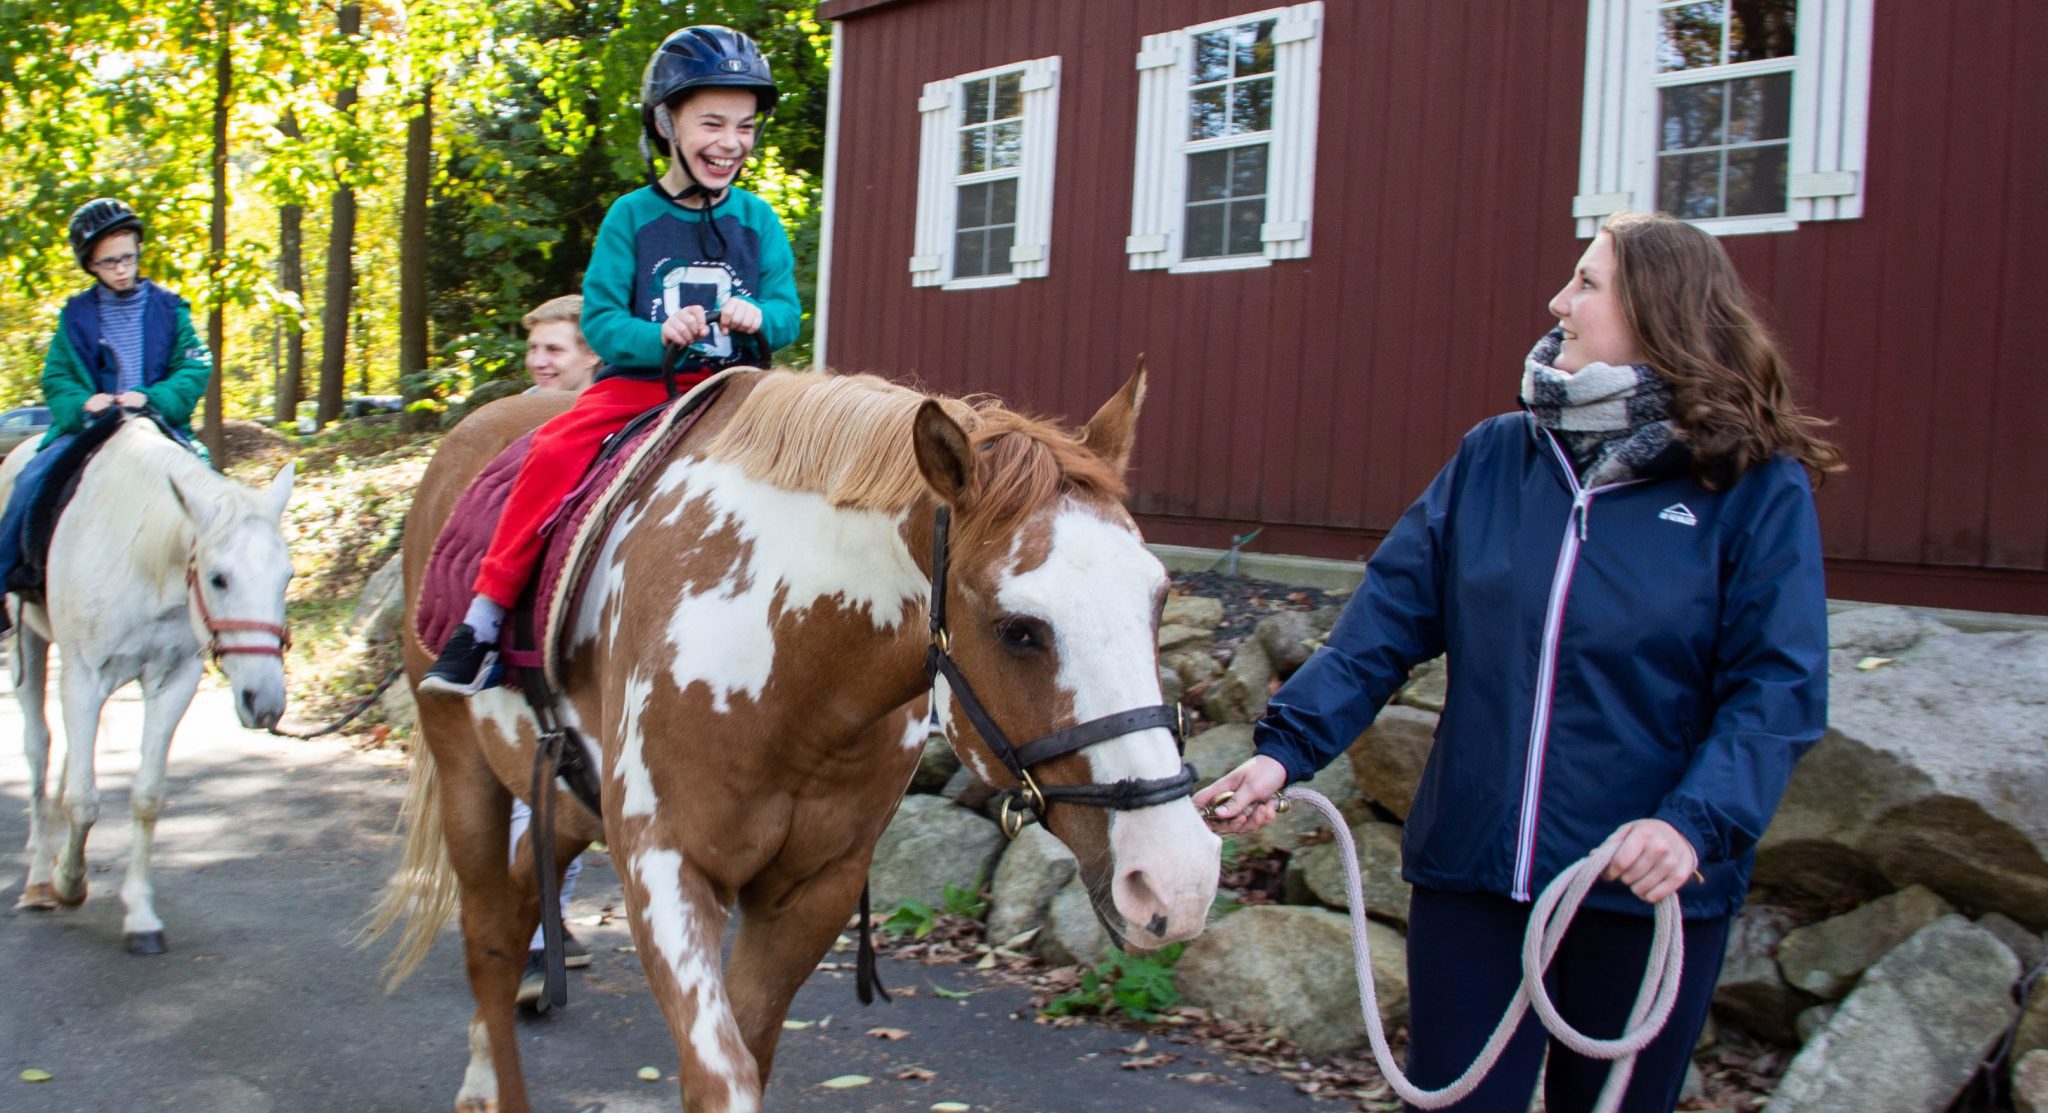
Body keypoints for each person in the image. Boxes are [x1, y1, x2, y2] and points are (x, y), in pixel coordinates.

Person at [1195, 211, 1840, 1113]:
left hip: (1642, 889)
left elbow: (1778, 688)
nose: (1557, 300)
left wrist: (1693, 824)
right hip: (1475, 878)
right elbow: (1379, 629)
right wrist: (1281, 752)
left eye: (1586, 282)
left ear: (1659, 311)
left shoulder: (1750, 486)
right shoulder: (1494, 458)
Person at [421, 24, 800, 694]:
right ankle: (484, 616)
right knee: (554, 447)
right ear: (665, 122)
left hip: (738, 390)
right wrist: (658, 337)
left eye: (744, 127)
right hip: (644, 389)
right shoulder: (631, 217)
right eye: (712, 123)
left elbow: (787, 312)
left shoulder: (759, 219)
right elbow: (600, 319)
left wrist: (758, 316)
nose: (731, 143)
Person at [0, 198, 211, 595]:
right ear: (91, 266)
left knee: (208, 482)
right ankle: (14, 577)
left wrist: (151, 398)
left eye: (127, 258)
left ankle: (213, 587)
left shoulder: (171, 310)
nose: (121, 269)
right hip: (91, 427)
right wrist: (82, 404)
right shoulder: (76, 315)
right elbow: (57, 376)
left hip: (156, 422)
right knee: (31, 478)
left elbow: (194, 367)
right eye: (108, 262)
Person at [520, 294, 602, 394]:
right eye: (533, 348)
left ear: (592, 355)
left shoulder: (621, 407)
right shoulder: (516, 407)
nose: (537, 363)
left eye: (553, 349)